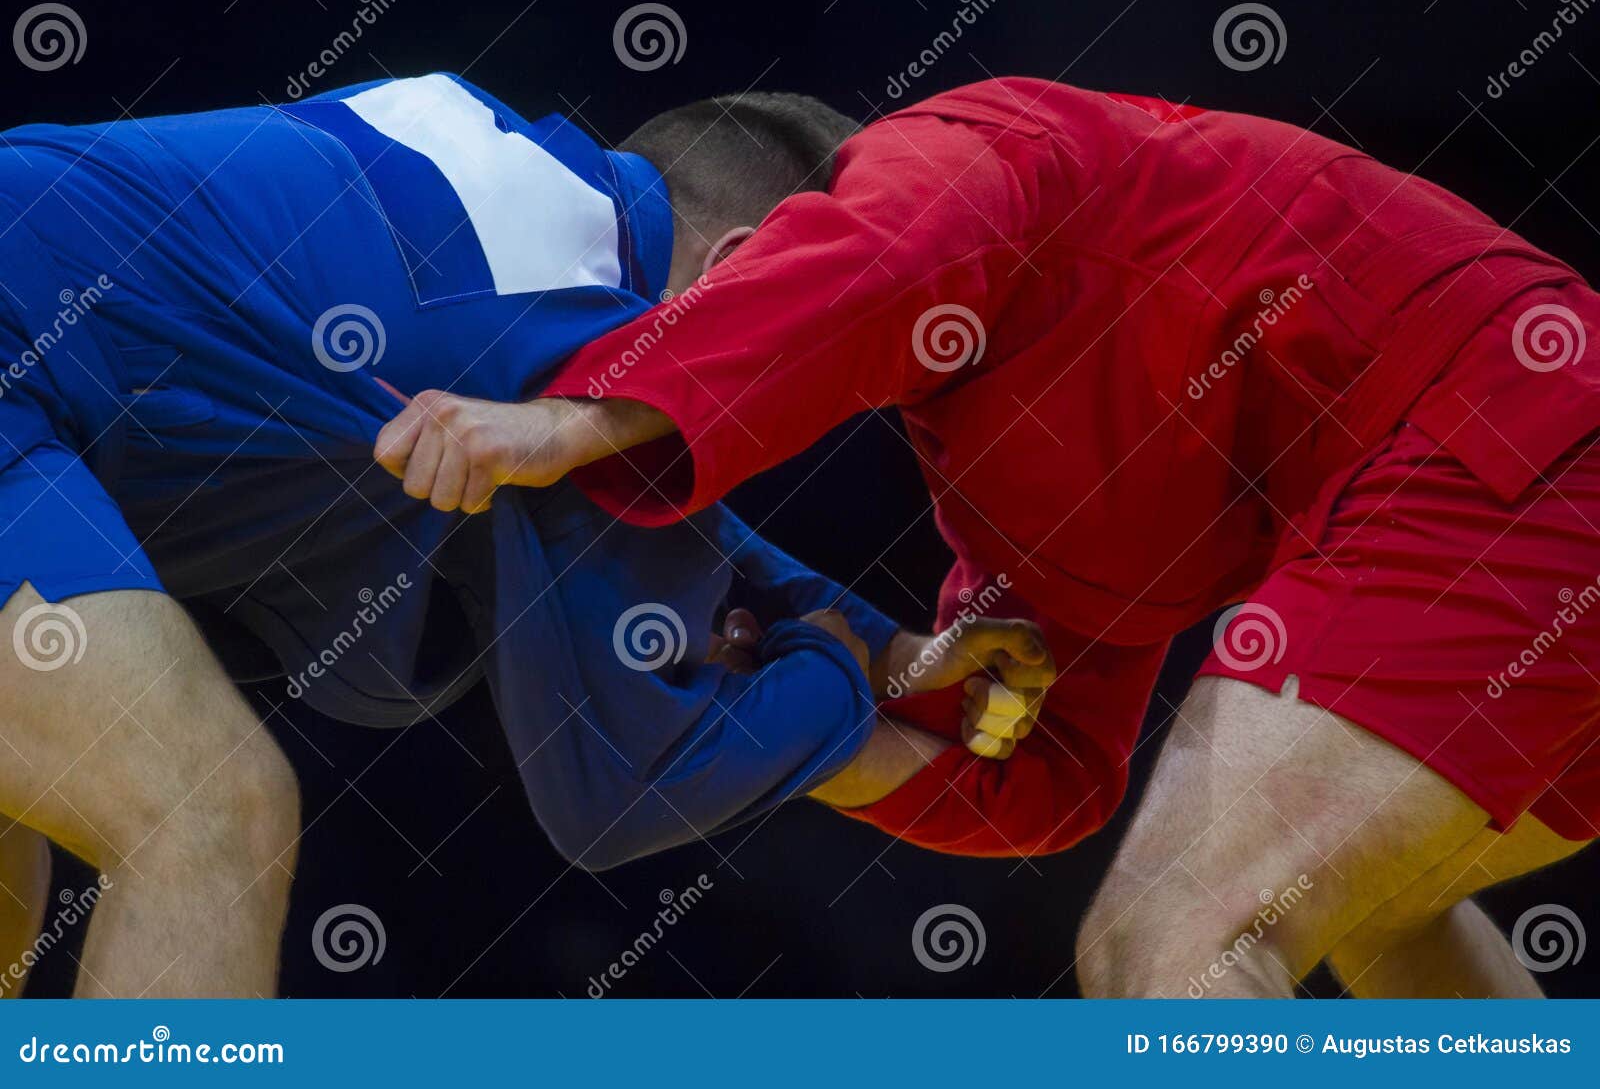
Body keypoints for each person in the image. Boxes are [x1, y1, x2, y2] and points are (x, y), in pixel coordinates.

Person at [378, 77, 1600, 997]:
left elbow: (885, 251)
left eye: (643, 319)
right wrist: (834, 720)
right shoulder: (1006, 464)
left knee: (1175, 939)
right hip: (1527, 518)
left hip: (1523, 428)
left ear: (755, 257)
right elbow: (1046, 759)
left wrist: (571, 416)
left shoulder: (961, 150)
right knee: (1373, 910)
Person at [0, 74, 1049, 996]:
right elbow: (627, 781)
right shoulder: (572, 331)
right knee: (205, 819)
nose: (788, 418)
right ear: (745, 269)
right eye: (814, 353)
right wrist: (836, 660)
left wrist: (893, 647)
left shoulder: (498, 180)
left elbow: (645, 493)